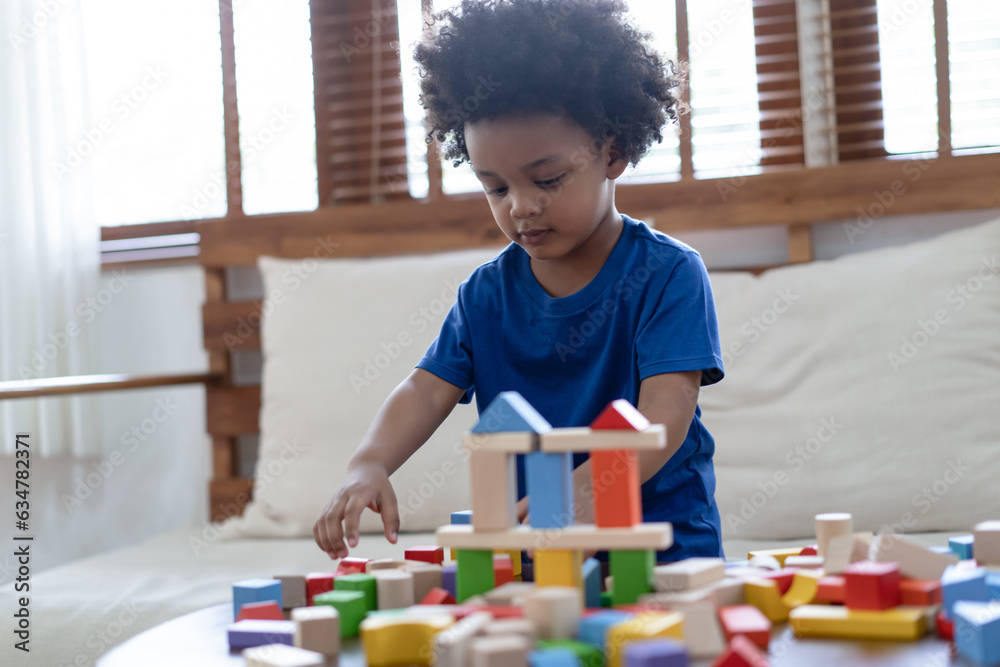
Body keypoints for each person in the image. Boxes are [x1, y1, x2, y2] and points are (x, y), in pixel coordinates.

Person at [313, 0, 725, 562]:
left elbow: (666, 409)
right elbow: (426, 389)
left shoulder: (669, 273)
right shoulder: (485, 295)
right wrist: (368, 463)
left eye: (548, 179)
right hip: (537, 549)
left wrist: (590, 487)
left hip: (663, 545)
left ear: (613, 153)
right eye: (496, 188)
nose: (522, 207)